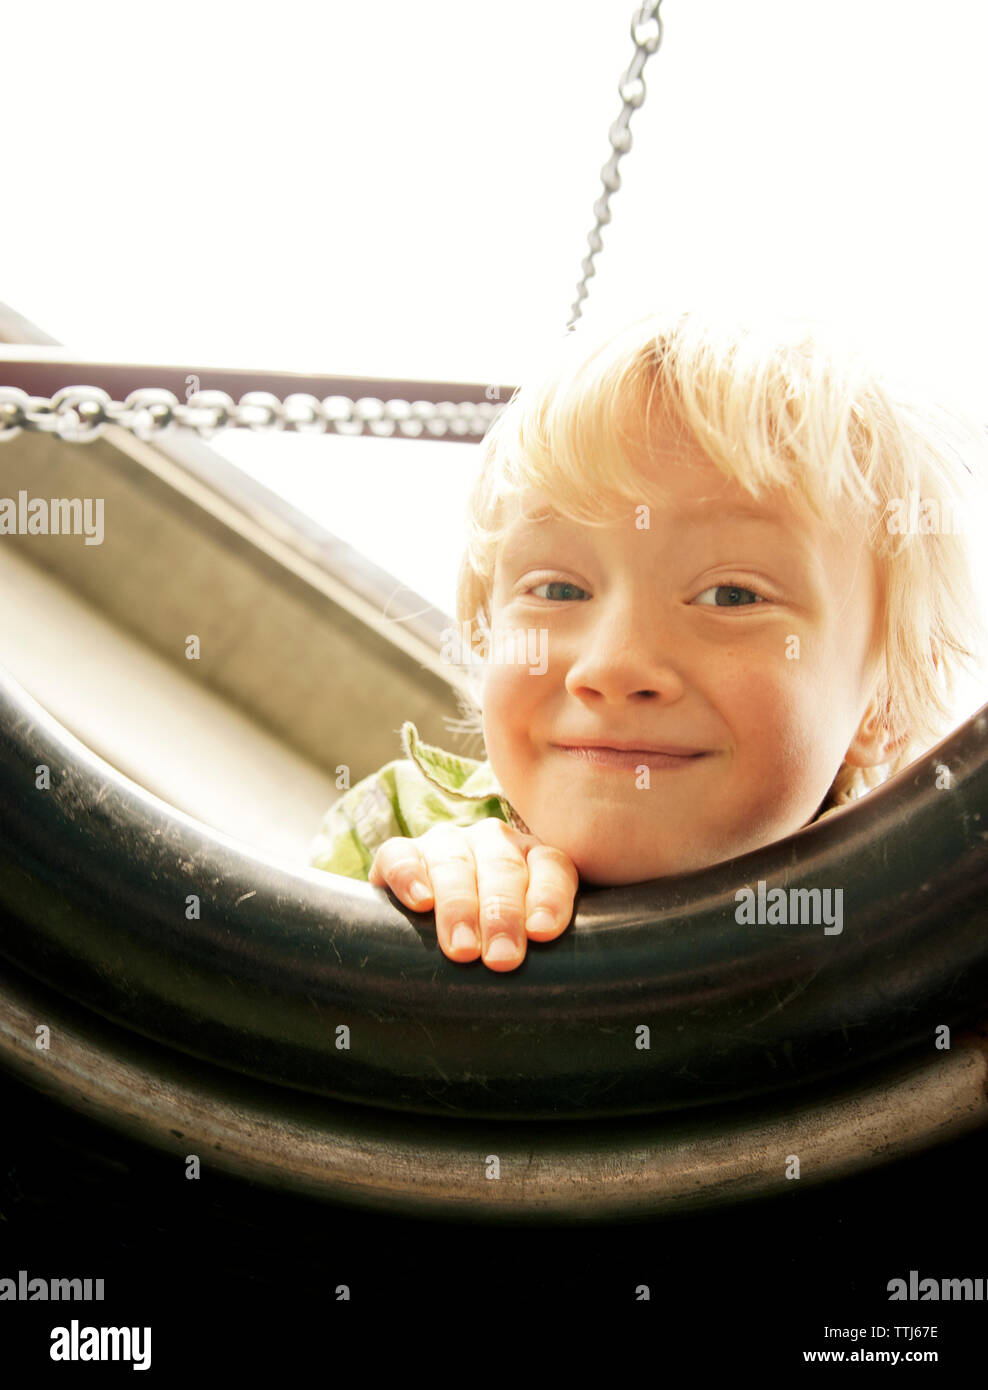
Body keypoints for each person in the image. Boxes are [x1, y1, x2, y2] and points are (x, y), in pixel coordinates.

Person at [310, 309, 987, 972]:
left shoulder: (918, 934)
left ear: (885, 704)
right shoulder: (400, 830)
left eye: (733, 595)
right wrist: (413, 925)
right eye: (558, 589)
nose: (613, 665)